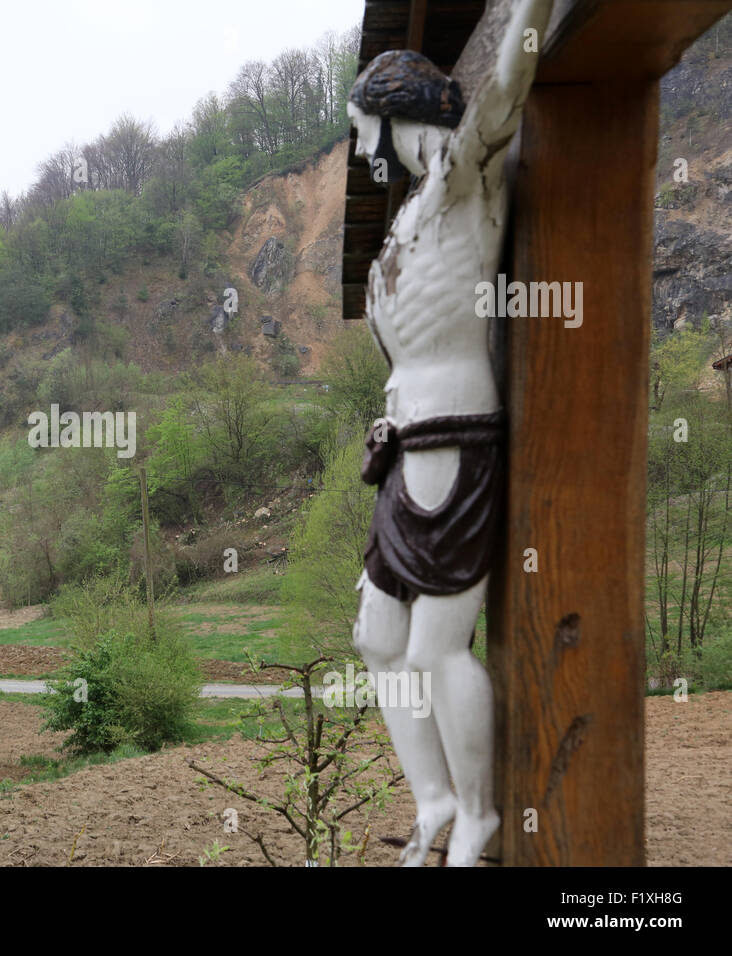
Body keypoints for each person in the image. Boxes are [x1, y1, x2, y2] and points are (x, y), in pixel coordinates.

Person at [346, 0, 551, 868]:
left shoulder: (467, 179)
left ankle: (479, 815)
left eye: (369, 131)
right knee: (375, 639)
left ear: (403, 116)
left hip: (457, 439)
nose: (365, 152)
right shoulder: (402, 223)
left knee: (436, 646)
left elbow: (507, 80)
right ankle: (432, 801)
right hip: (403, 446)